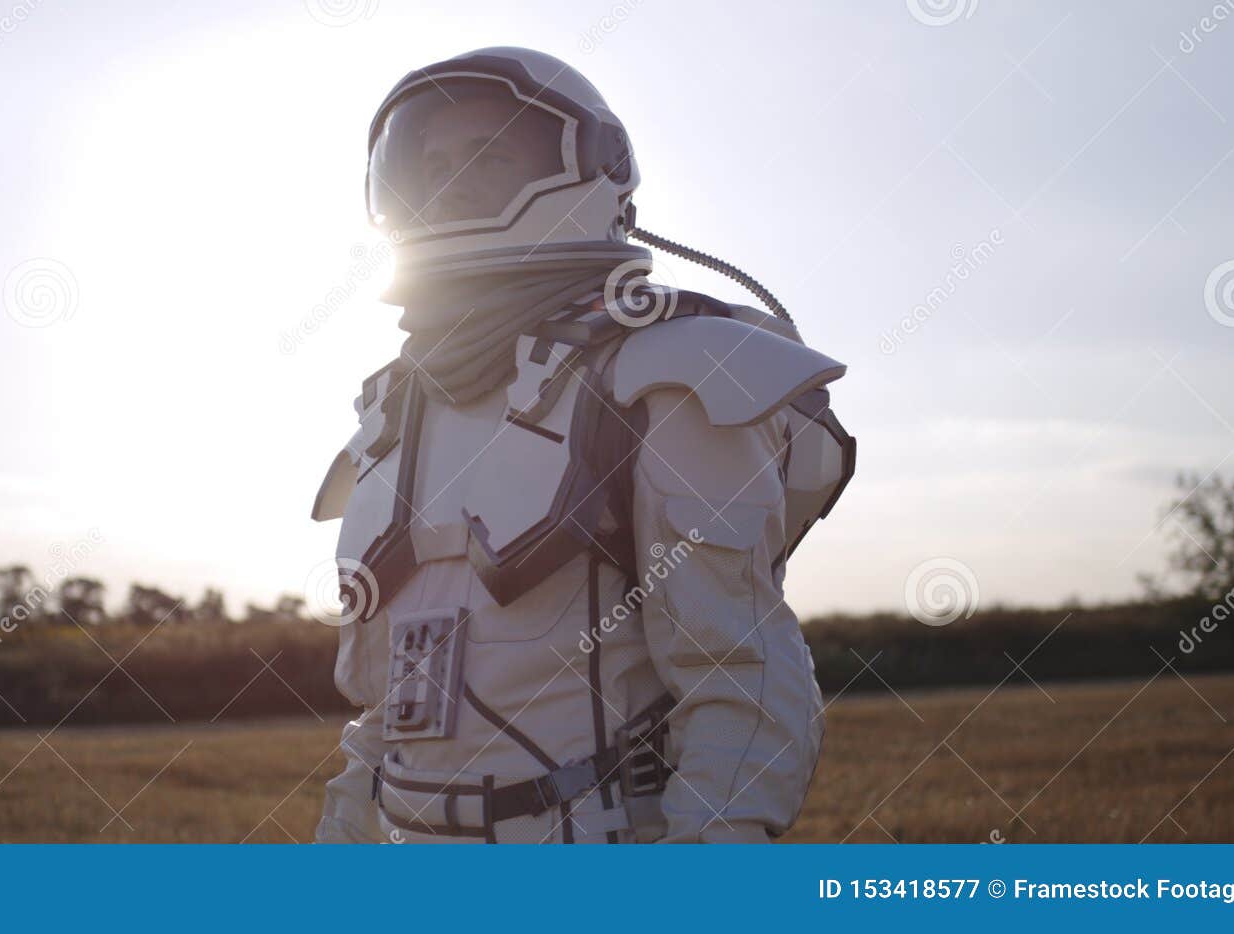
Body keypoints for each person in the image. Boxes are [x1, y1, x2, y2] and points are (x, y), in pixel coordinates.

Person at [311, 46, 856, 843]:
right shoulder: (392, 409)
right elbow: (383, 717)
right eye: (432, 163)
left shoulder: (665, 374)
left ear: (597, 166)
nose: (453, 180)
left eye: (490, 155)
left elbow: (740, 682)